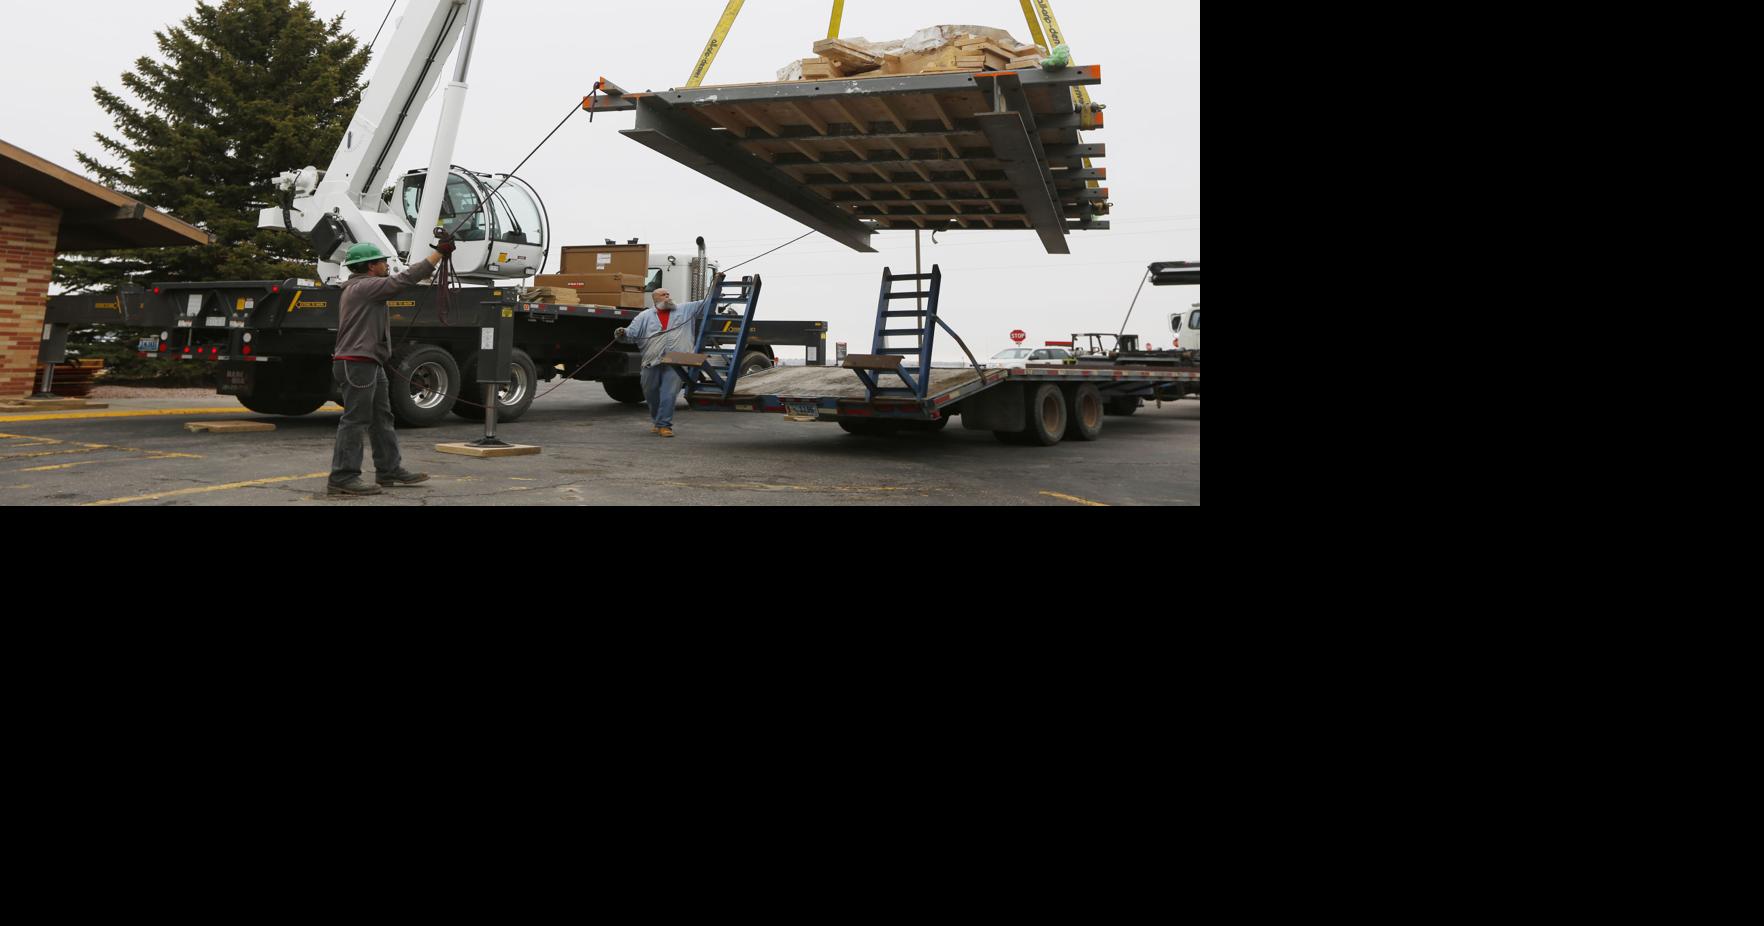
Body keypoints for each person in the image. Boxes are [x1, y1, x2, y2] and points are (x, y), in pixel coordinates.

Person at [326, 233, 454, 496]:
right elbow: (403, 280)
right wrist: (437, 255)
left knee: (382, 417)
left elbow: (400, 280)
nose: (387, 265)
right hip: (357, 363)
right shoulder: (364, 287)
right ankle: (343, 477)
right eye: (383, 262)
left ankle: (389, 469)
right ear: (371, 266)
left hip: (367, 362)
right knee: (355, 420)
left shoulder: (363, 287)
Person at [614, 276, 721, 438]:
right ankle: (658, 422)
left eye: (668, 294)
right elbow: (630, 335)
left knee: (669, 393)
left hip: (677, 360)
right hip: (651, 360)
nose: (668, 297)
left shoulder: (685, 309)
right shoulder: (644, 316)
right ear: (655, 299)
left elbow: (708, 303)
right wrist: (621, 333)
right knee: (650, 392)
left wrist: (715, 285)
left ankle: (665, 425)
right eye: (664, 295)